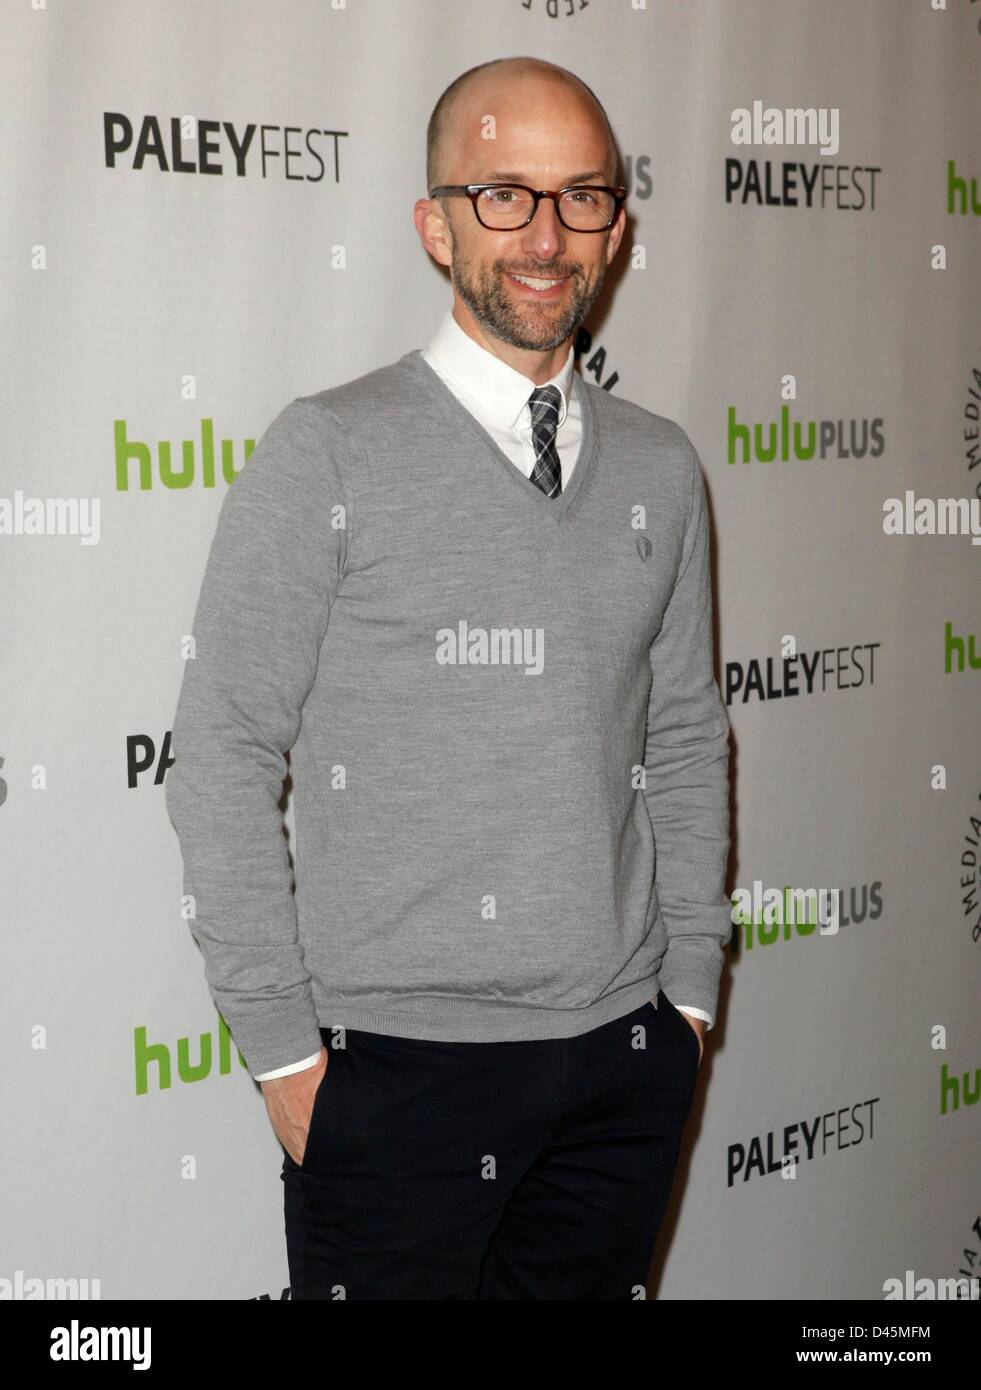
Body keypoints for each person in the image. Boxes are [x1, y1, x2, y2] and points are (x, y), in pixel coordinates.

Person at [164, 54, 732, 1300]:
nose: (545, 233)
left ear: (617, 228)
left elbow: (685, 735)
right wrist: (284, 1065)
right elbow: (220, 756)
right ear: (436, 224)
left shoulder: (662, 467)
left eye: (581, 196)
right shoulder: (328, 452)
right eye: (503, 195)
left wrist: (687, 999)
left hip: (624, 1065)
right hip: (399, 1082)